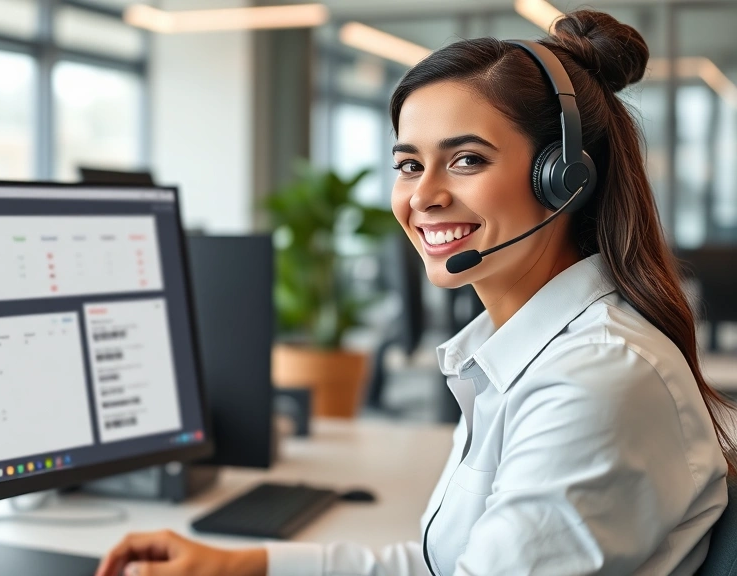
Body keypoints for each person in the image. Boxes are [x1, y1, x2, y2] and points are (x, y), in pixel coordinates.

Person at [95, 9, 737, 576]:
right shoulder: (519, 357)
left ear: (563, 179)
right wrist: (244, 565)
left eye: (466, 160)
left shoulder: (595, 378)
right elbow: (446, 564)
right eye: (408, 164)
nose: (422, 195)